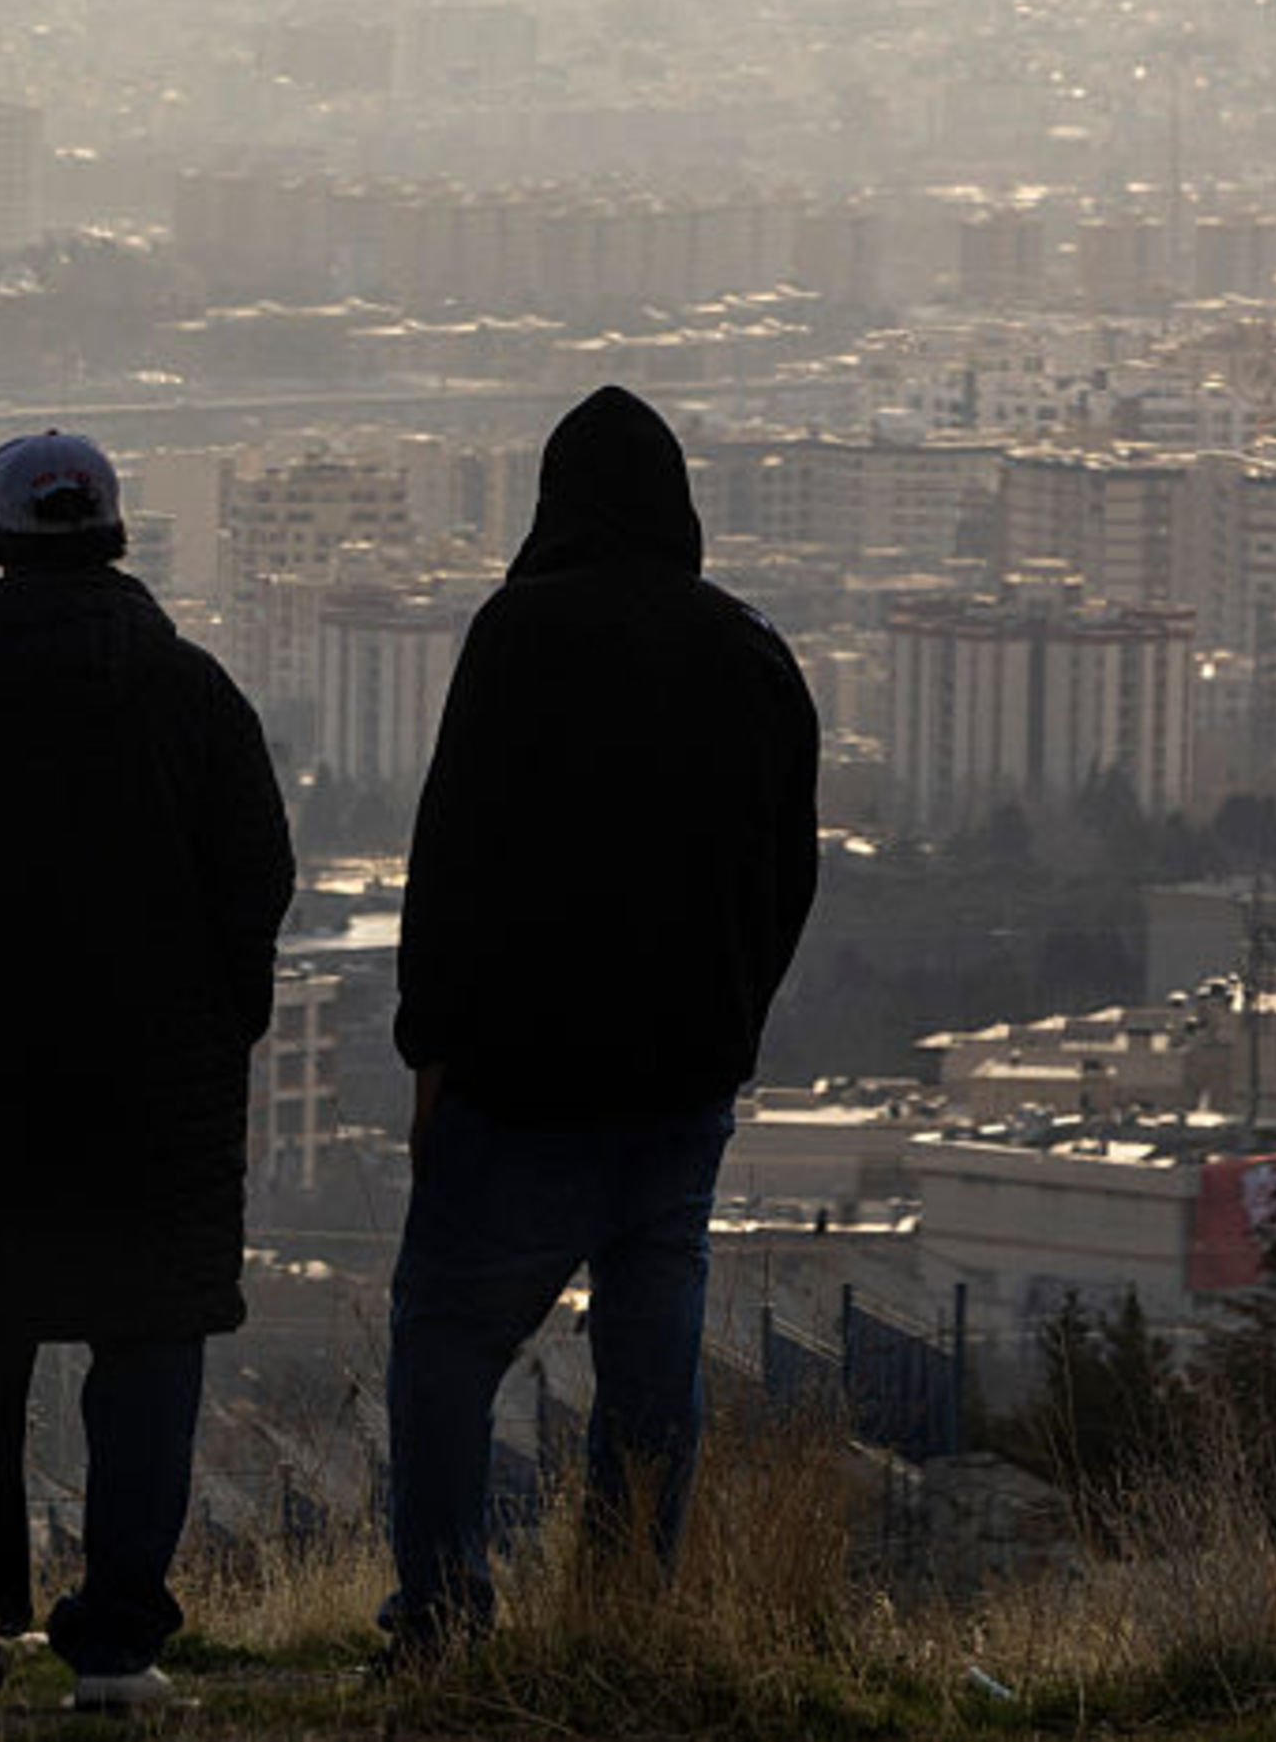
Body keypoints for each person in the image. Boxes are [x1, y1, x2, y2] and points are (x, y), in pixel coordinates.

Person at [0, 430, 295, 1715]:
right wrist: (217, 1029)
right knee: (146, 1360)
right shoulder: (197, 693)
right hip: (159, 1104)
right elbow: (257, 882)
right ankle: (118, 1645)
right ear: (115, 534)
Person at [382, 384, 821, 1656]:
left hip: (519, 1080)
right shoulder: (751, 651)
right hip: (680, 1090)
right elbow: (787, 873)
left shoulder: (519, 635)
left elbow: (453, 850)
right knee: (651, 1377)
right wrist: (731, 1021)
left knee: (449, 1351)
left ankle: (445, 1617)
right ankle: (626, 1621)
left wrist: (431, 1051)